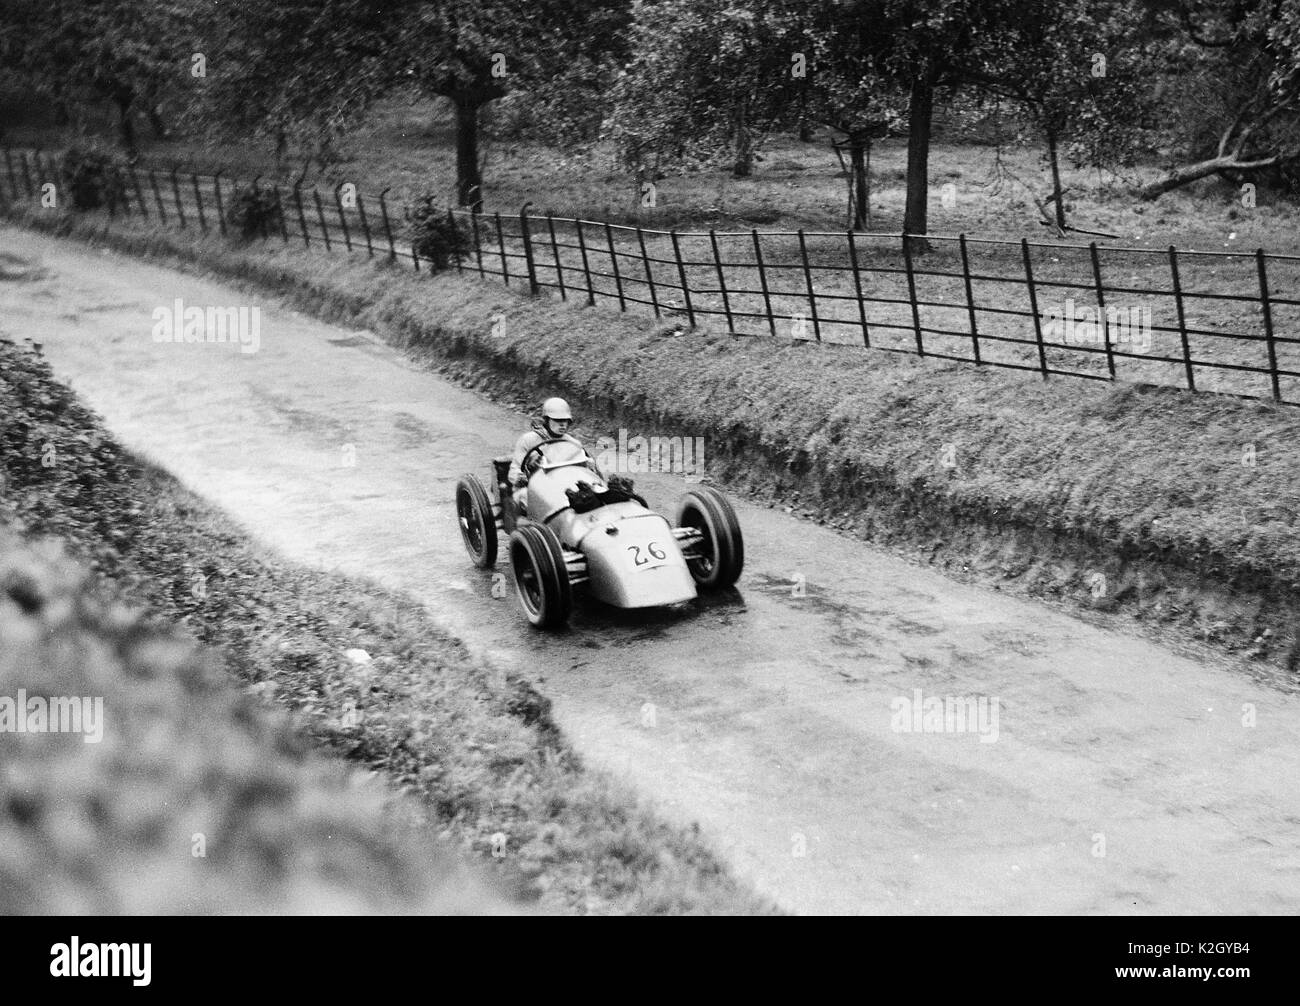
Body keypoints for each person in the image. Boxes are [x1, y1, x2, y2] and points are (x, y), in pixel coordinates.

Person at [508, 397, 598, 511]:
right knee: (523, 497)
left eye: (565, 421)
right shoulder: (528, 440)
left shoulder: (574, 443)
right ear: (547, 420)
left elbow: (582, 471)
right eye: (558, 420)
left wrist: (589, 467)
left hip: (562, 488)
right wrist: (523, 478)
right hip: (535, 488)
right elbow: (514, 471)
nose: (562, 425)